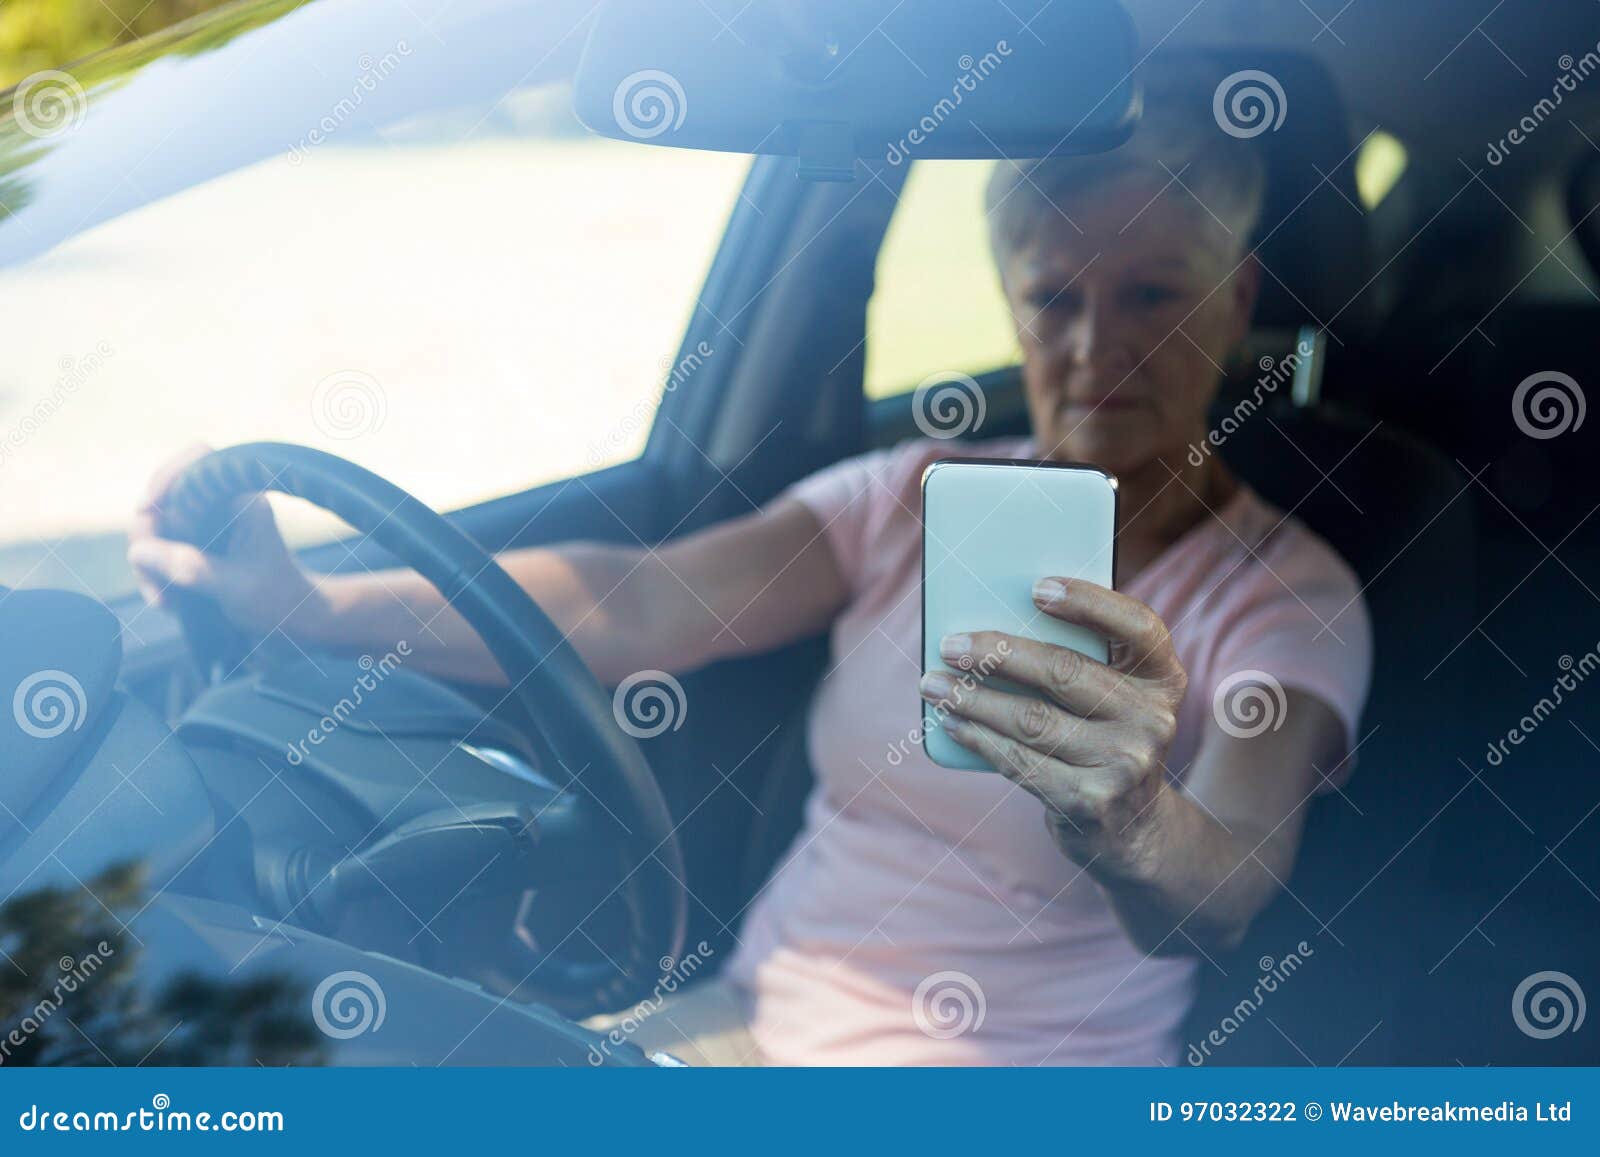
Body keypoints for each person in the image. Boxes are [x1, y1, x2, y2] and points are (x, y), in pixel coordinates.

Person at [128, 77, 1371, 1066]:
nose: (1099, 343)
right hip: (735, 1032)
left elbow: (1231, 878)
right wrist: (309, 606)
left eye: (1152, 291)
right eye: (1055, 297)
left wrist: (1138, 815)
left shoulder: (1282, 591)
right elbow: (641, 596)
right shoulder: (913, 492)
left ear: (1237, 292)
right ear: (1008, 300)